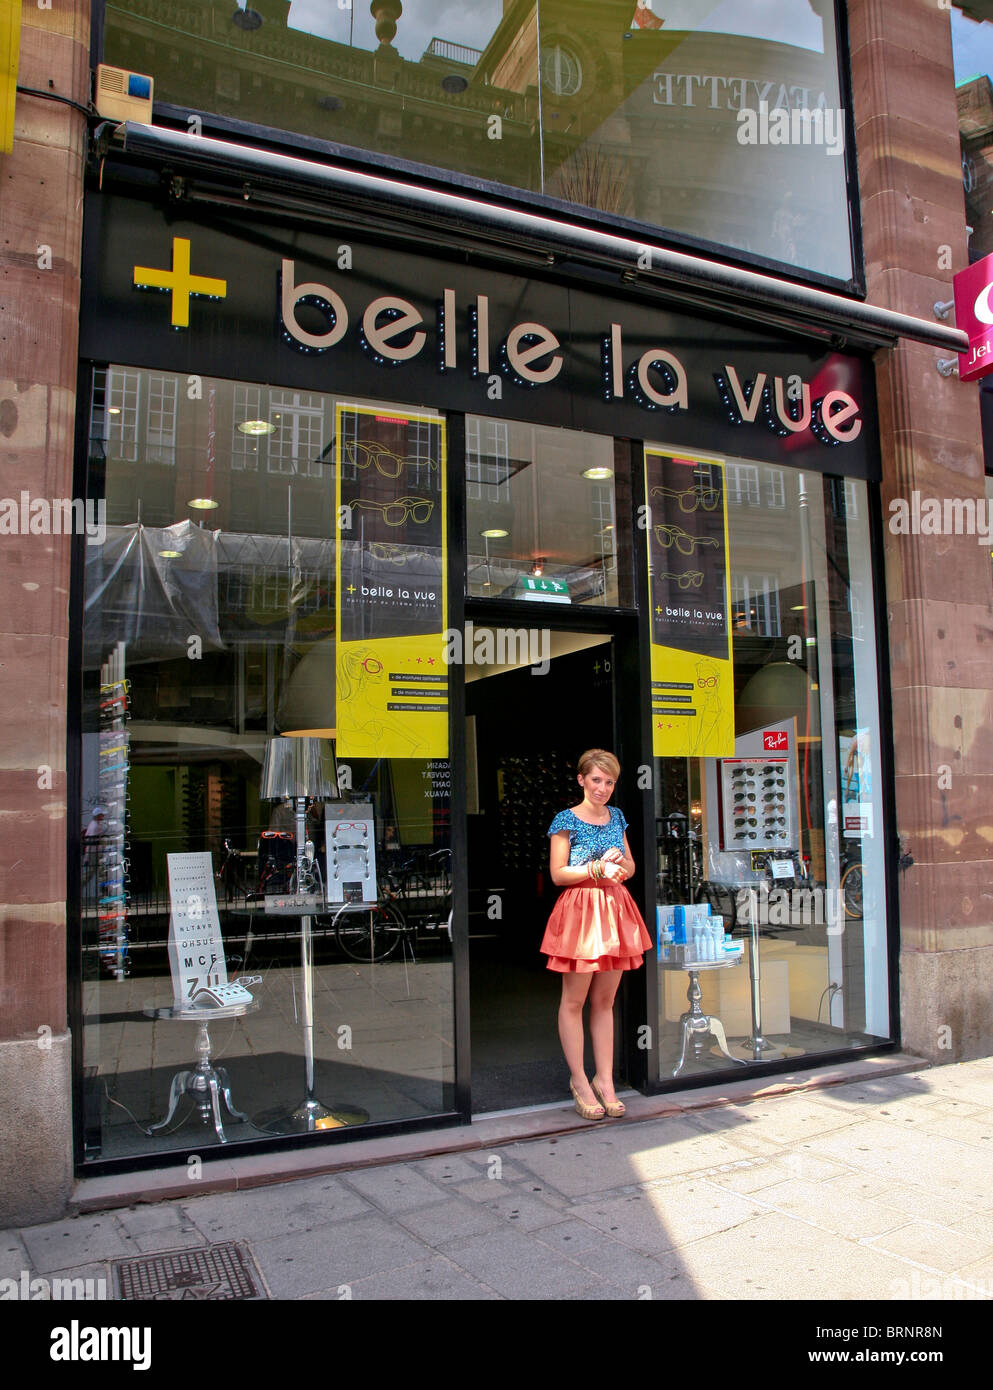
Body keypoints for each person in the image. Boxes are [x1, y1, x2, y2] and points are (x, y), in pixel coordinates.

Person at [540, 749, 652, 1120]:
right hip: (581, 910)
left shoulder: (617, 816)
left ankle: (605, 1080)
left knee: (605, 1001)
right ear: (581, 780)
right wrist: (596, 869)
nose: (603, 788)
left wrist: (620, 864)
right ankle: (579, 1081)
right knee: (574, 1000)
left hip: (615, 909)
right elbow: (558, 874)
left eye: (609, 782)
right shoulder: (565, 820)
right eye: (596, 780)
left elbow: (632, 866)